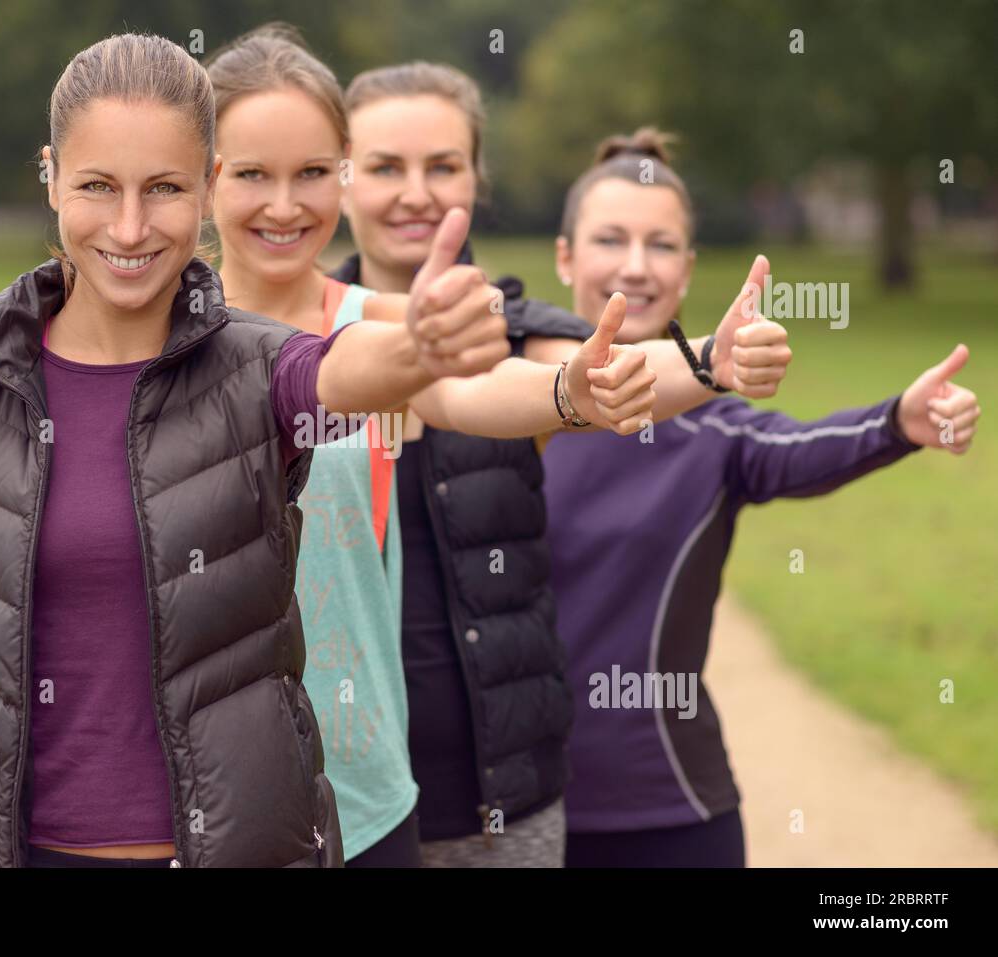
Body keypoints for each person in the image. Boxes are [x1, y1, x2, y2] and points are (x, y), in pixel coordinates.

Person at [0, 31, 516, 869]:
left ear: (208, 185)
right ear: (50, 177)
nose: (131, 227)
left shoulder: (257, 365)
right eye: (98, 187)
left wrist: (417, 345)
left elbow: (341, 368)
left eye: (165, 188)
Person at [203, 24, 663, 865]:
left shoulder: (375, 324)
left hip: (370, 794)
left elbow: (464, 389)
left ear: (340, 173)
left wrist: (571, 391)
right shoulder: (164, 341)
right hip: (211, 793)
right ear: (204, 180)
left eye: (311, 173)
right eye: (252, 175)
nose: (283, 204)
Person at [334, 62, 792, 866]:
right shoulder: (284, 340)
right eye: (384, 166)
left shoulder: (521, 333)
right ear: (340, 178)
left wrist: (713, 358)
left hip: (498, 809)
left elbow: (601, 371)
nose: (415, 192)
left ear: (477, 175)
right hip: (337, 806)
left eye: (443, 165)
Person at [541, 127, 981, 867]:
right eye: (611, 239)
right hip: (515, 819)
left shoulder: (714, 428)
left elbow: (798, 448)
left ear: (687, 270)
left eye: (662, 245)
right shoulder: (498, 407)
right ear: (564, 256)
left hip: (674, 809)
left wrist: (895, 421)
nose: (636, 267)